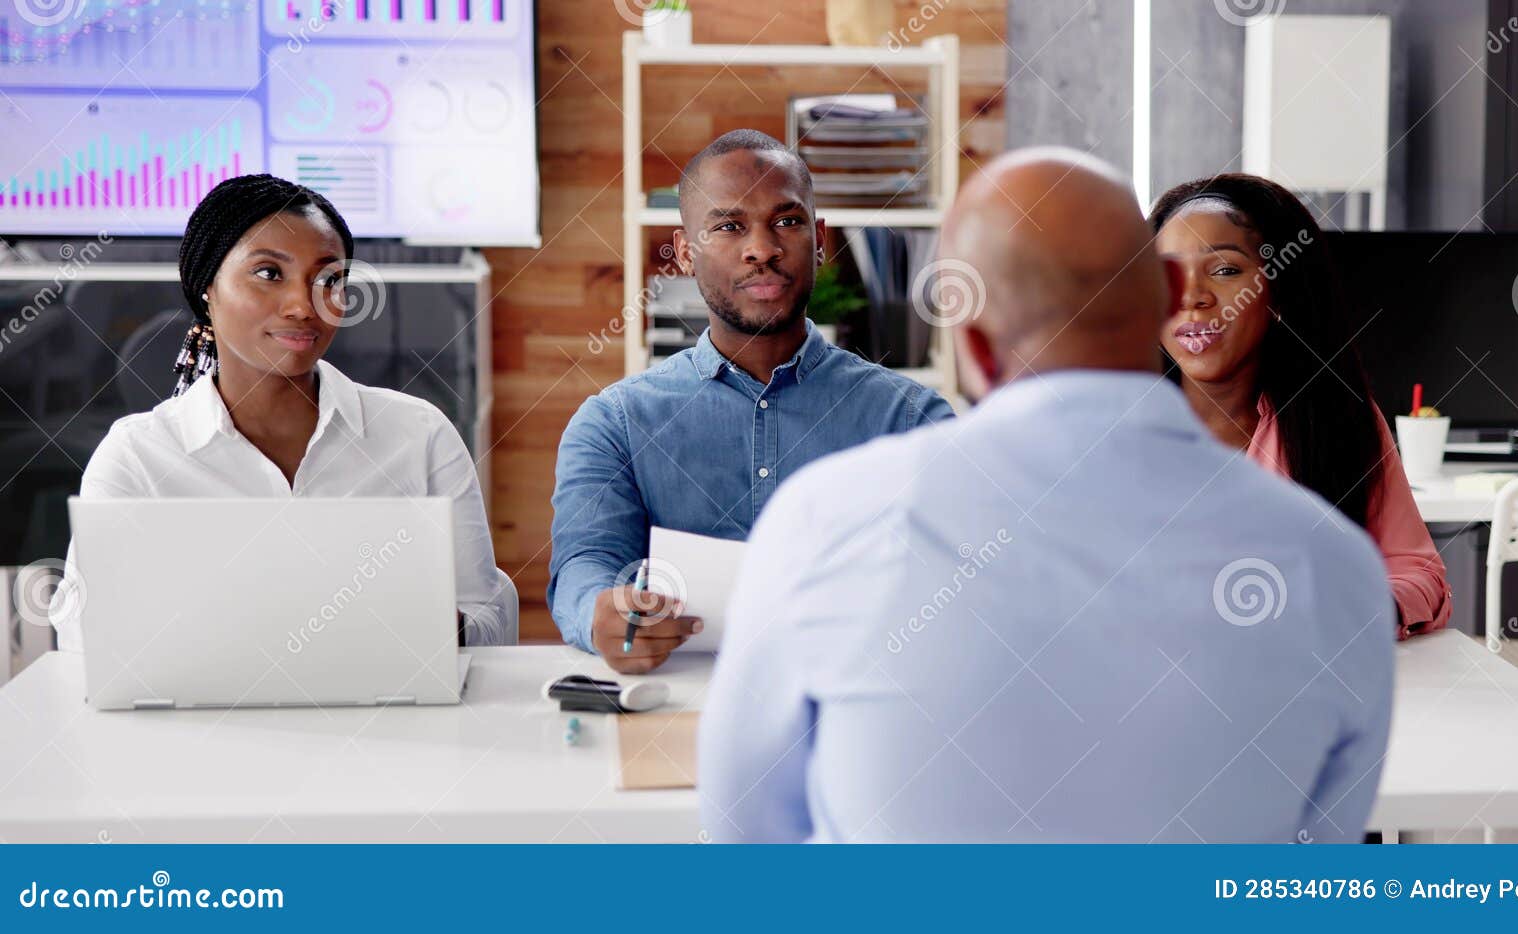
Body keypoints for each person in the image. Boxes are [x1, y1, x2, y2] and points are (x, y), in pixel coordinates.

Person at [698, 148, 1394, 843]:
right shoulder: (1332, 562)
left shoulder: (826, 521)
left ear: (972, 340)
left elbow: (745, 838)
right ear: (1171, 287)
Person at [49, 174, 515, 650]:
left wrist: (418, 621)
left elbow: (489, 618)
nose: (303, 305)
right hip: (200, 717)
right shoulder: (136, 456)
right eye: (269, 273)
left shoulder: (420, 435)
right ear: (207, 285)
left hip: (386, 712)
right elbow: (84, 640)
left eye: (329, 278)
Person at [548, 129, 953, 674]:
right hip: (673, 704)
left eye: (787, 221)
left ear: (820, 239)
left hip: (858, 701)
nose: (761, 248)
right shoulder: (614, 424)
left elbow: (957, 573)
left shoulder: (911, 421)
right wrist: (599, 610)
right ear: (687, 251)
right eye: (728, 226)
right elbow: (585, 563)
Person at [1150, 174, 1451, 640]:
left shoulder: (1336, 419)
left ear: (1279, 292)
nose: (1192, 296)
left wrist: (1364, 609)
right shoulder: (1114, 427)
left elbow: (1416, 571)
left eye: (1226, 270)